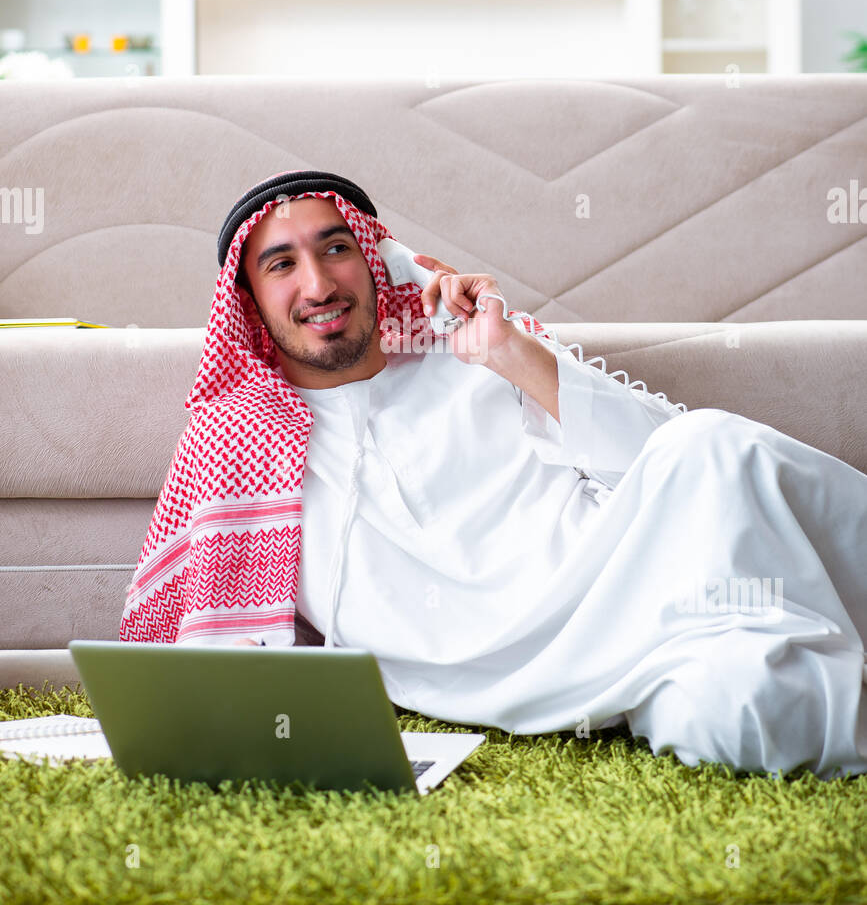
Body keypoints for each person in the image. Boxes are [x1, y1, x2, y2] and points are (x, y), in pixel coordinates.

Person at [119, 171, 867, 779]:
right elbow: (216, 644)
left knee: (715, 465)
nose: (317, 283)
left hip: (637, 601)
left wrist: (505, 351)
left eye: (336, 248)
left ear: (378, 260)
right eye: (280, 264)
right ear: (246, 303)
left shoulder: (478, 358)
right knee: (742, 711)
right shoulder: (237, 441)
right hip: (500, 682)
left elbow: (658, 464)